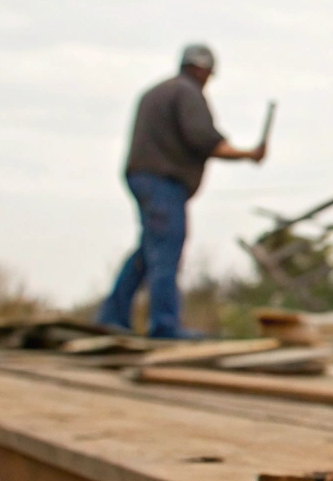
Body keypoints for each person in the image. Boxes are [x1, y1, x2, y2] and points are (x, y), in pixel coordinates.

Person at [98, 45, 266, 339]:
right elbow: (204, 139)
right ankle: (164, 325)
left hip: (143, 177)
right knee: (166, 249)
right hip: (163, 181)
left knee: (149, 249)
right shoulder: (187, 93)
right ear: (202, 69)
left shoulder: (157, 92)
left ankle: (113, 317)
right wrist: (247, 154)